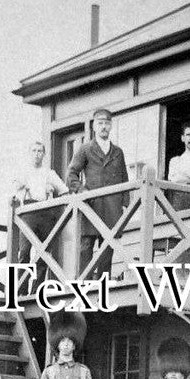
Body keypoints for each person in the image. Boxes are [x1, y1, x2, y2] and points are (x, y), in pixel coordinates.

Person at [67, 109, 129, 279]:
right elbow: (71, 174)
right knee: (86, 246)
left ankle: (103, 285)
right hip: (91, 206)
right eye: (100, 123)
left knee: (107, 247)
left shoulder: (118, 152)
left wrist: (125, 203)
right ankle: (84, 284)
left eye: (107, 123)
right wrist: (82, 191)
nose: (104, 127)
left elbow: (124, 178)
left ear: (111, 126)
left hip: (112, 207)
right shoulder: (86, 149)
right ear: (94, 126)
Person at [12, 140, 68, 287]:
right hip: (28, 211)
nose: (37, 154)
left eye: (40, 151)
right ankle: (21, 288)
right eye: (34, 151)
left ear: (44, 154)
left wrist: (53, 192)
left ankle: (36, 289)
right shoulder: (24, 171)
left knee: (43, 253)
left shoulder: (48, 173)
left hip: (44, 212)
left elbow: (64, 190)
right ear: (29, 153)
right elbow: (15, 189)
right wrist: (22, 186)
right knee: (24, 251)